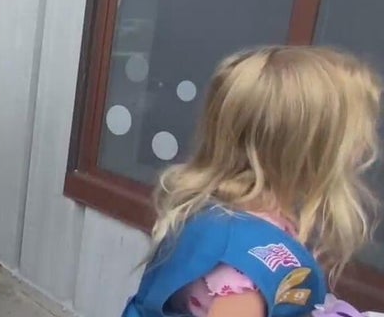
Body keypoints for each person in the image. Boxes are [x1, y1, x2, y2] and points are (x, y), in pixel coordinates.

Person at [122, 46, 381, 317]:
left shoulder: (220, 212)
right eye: (355, 137)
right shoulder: (247, 269)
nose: (365, 147)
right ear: (308, 152)